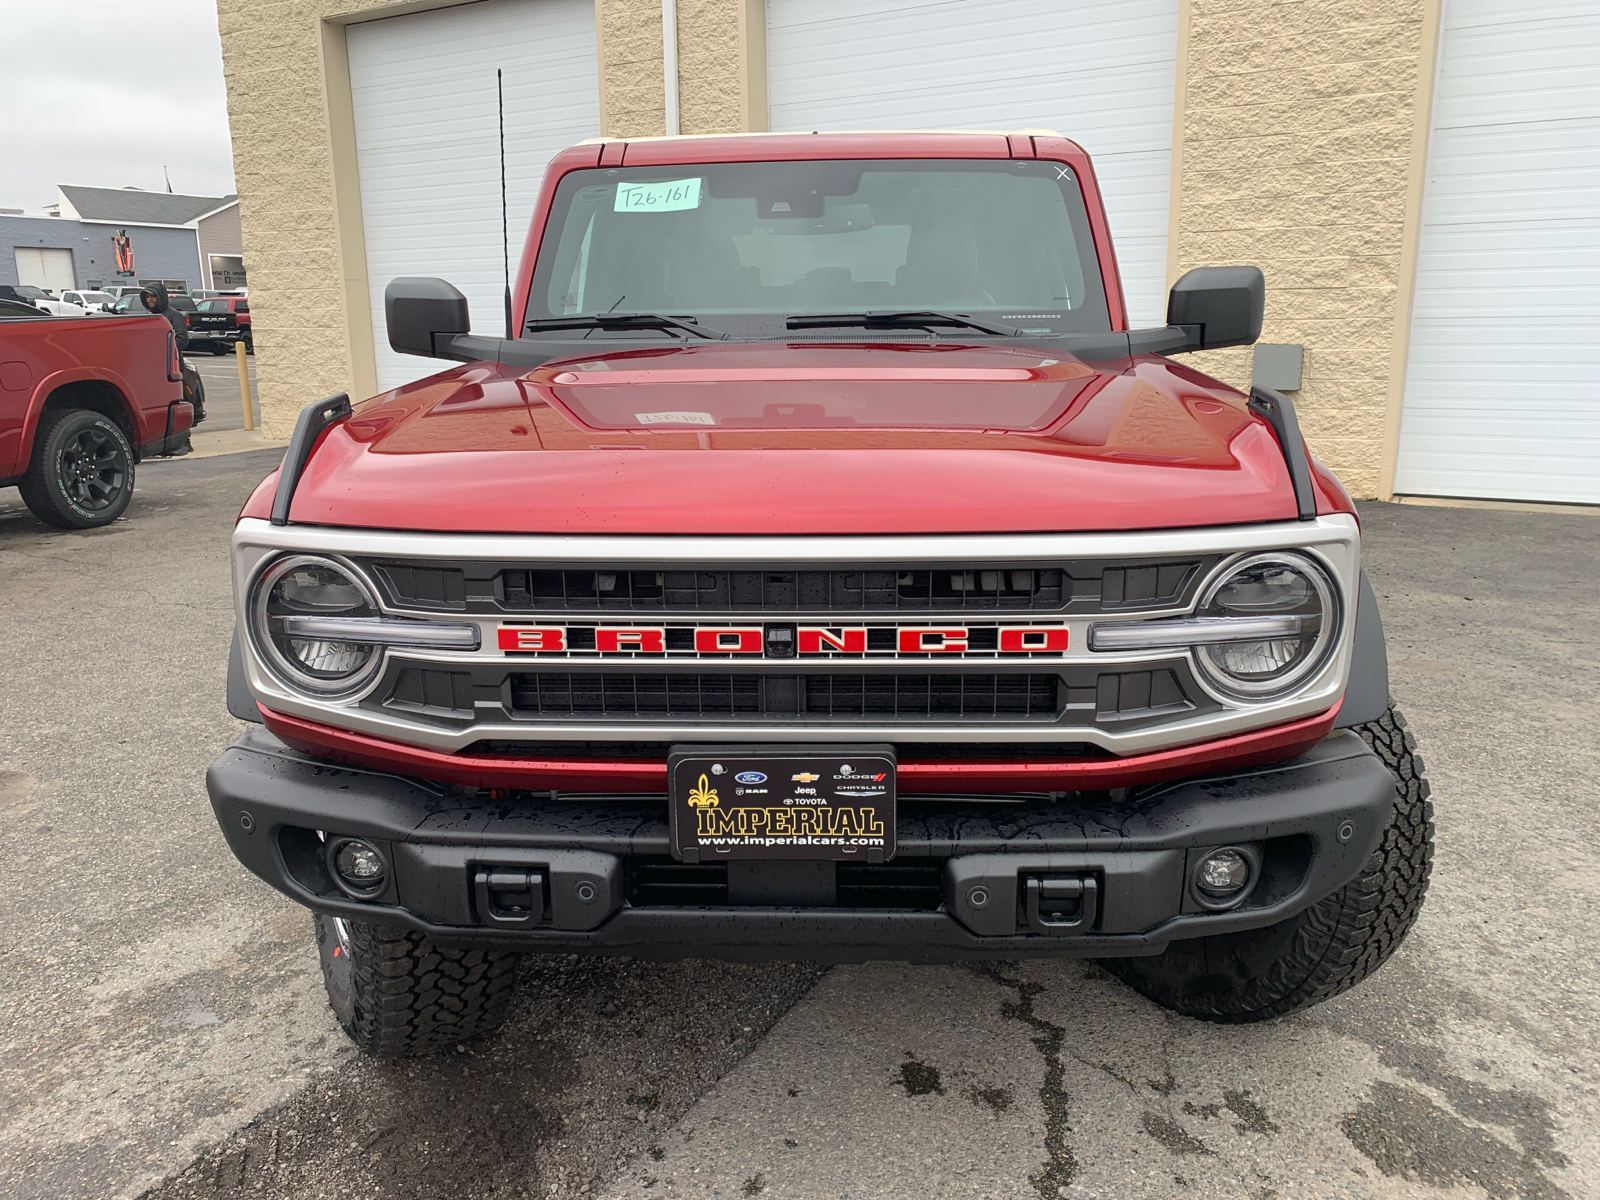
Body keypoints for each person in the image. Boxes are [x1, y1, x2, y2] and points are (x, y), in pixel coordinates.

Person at [141, 283, 206, 424]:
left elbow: (182, 340)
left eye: (153, 296)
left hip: (173, 367)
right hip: (153, 369)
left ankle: (184, 438)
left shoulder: (174, 315)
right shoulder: (147, 317)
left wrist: (161, 351)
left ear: (161, 297)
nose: (150, 299)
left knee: (177, 401)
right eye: (147, 297)